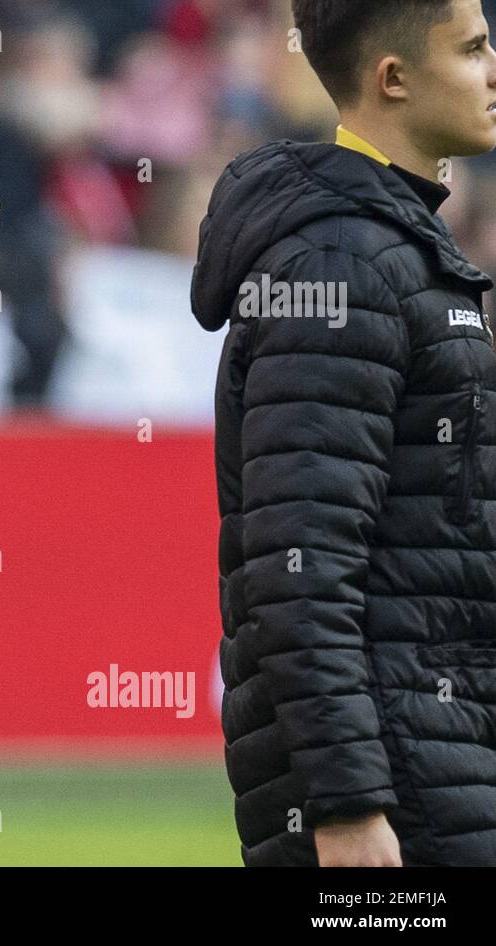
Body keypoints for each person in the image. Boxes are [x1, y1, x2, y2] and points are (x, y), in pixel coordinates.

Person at [192, 0, 496, 865]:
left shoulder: (396, 251)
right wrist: (349, 805)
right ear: (391, 78)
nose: (495, 69)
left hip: (439, 763)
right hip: (398, 794)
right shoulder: (341, 267)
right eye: (474, 48)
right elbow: (300, 567)